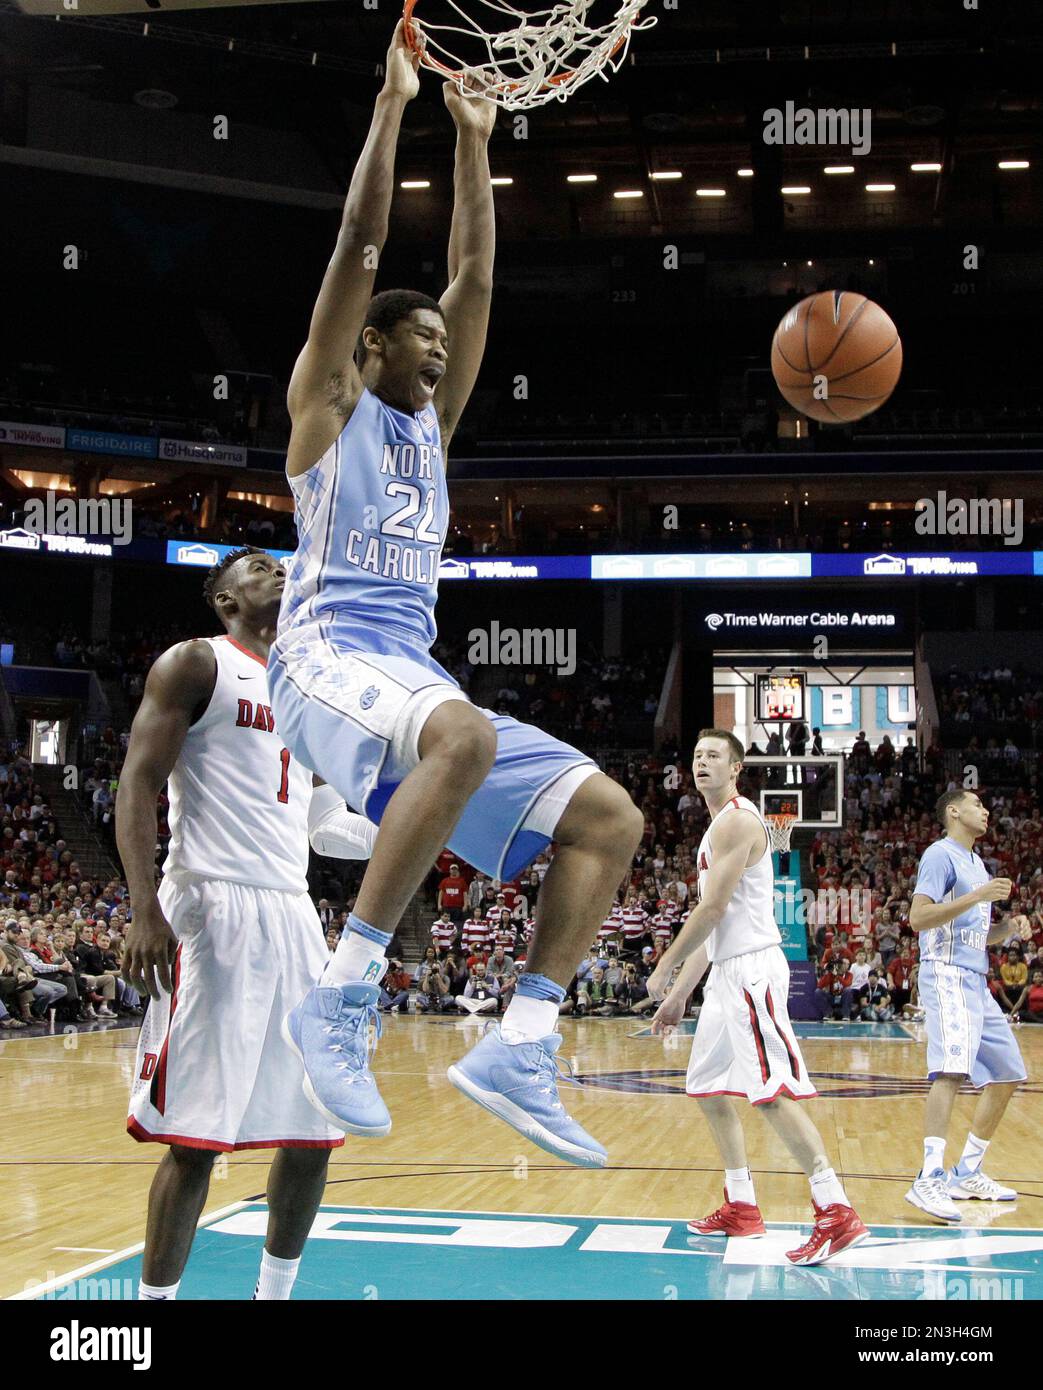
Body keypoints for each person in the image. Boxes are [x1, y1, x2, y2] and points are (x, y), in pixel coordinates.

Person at [268, 21, 642, 1168]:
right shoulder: (327, 412)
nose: (436, 349)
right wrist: (392, 106)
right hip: (323, 655)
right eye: (415, 335)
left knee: (608, 819)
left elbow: (478, 273)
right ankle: (342, 991)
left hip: (409, 680)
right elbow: (359, 241)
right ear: (368, 344)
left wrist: (472, 138)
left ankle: (521, 1039)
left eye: (442, 341)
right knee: (465, 734)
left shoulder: (435, 428)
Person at [116, 547, 378, 1302]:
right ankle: (151, 1310)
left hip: (292, 911)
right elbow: (136, 784)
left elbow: (329, 827)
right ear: (226, 598)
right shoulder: (196, 663)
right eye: (260, 565)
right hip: (212, 901)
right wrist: (144, 907)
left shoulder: (309, 691)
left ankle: (274, 1295)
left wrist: (424, 833)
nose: (282, 570)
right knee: (196, 1137)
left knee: (314, 1124)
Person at [646, 729, 868, 1266]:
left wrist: (663, 965)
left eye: (713, 756)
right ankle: (742, 1203)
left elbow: (713, 911)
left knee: (770, 1091)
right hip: (726, 973)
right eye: (697, 756)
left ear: (736, 766)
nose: (702, 763)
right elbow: (714, 929)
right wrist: (679, 994)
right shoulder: (716, 827)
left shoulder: (741, 821)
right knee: (708, 1086)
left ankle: (835, 1209)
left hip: (750, 974)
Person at [903, 789, 1025, 1223]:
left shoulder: (977, 865)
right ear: (954, 812)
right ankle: (929, 1178)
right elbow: (919, 919)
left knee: (1010, 1072)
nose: (987, 810)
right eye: (977, 804)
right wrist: (977, 897)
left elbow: (979, 934)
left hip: (976, 977)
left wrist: (1009, 927)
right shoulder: (941, 855)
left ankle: (966, 1171)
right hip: (947, 972)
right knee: (951, 1071)